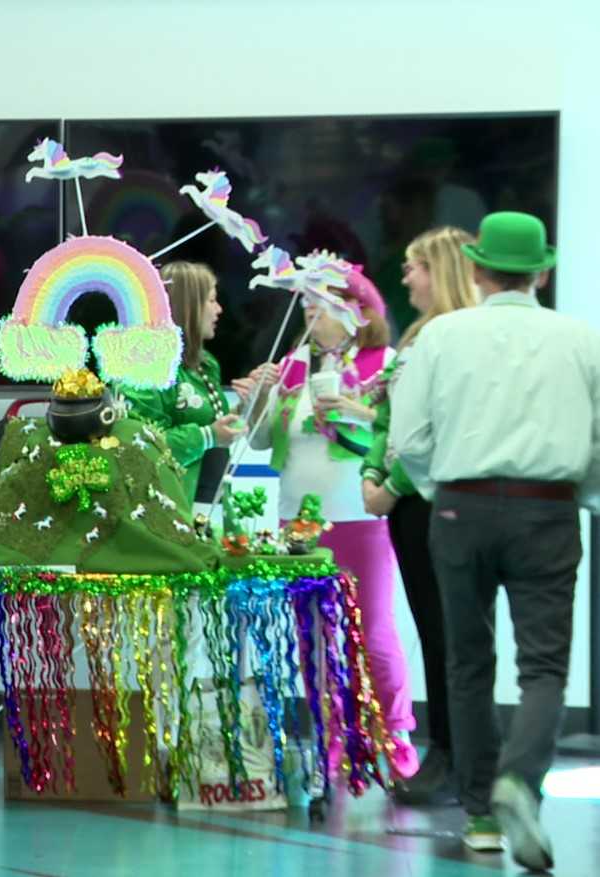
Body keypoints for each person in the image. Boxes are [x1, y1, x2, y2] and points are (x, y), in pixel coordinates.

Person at [392, 211, 596, 870]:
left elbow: (408, 442)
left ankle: (479, 815)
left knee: (466, 661)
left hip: (460, 508)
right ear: (543, 270)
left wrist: (438, 491)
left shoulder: (442, 337)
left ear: (476, 270)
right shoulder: (581, 340)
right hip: (548, 510)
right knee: (543, 666)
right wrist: (580, 491)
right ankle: (520, 781)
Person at [245, 267, 417, 779]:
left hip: (360, 517)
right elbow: (257, 442)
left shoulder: (382, 364)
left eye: (319, 302)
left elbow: (400, 436)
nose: (309, 312)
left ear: (355, 312)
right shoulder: (294, 366)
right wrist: (260, 395)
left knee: (375, 630)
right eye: (305, 305)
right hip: (297, 522)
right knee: (313, 633)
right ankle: (331, 732)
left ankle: (397, 733)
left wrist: (352, 410)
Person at [360, 226, 481, 805]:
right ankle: (450, 752)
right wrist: (371, 473)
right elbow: (389, 419)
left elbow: (435, 428)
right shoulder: (415, 336)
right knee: (435, 632)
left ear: (443, 270)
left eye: (415, 267)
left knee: (448, 633)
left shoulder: (458, 337)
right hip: (406, 501)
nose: (405, 277)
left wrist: (391, 485)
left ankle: (458, 756)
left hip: (435, 500)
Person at [117, 262, 245, 503]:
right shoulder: (146, 368)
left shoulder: (206, 365)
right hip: (163, 508)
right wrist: (206, 436)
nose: (219, 310)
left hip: (207, 503)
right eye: (212, 300)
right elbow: (140, 444)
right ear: (188, 307)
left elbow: (214, 425)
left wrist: (249, 403)